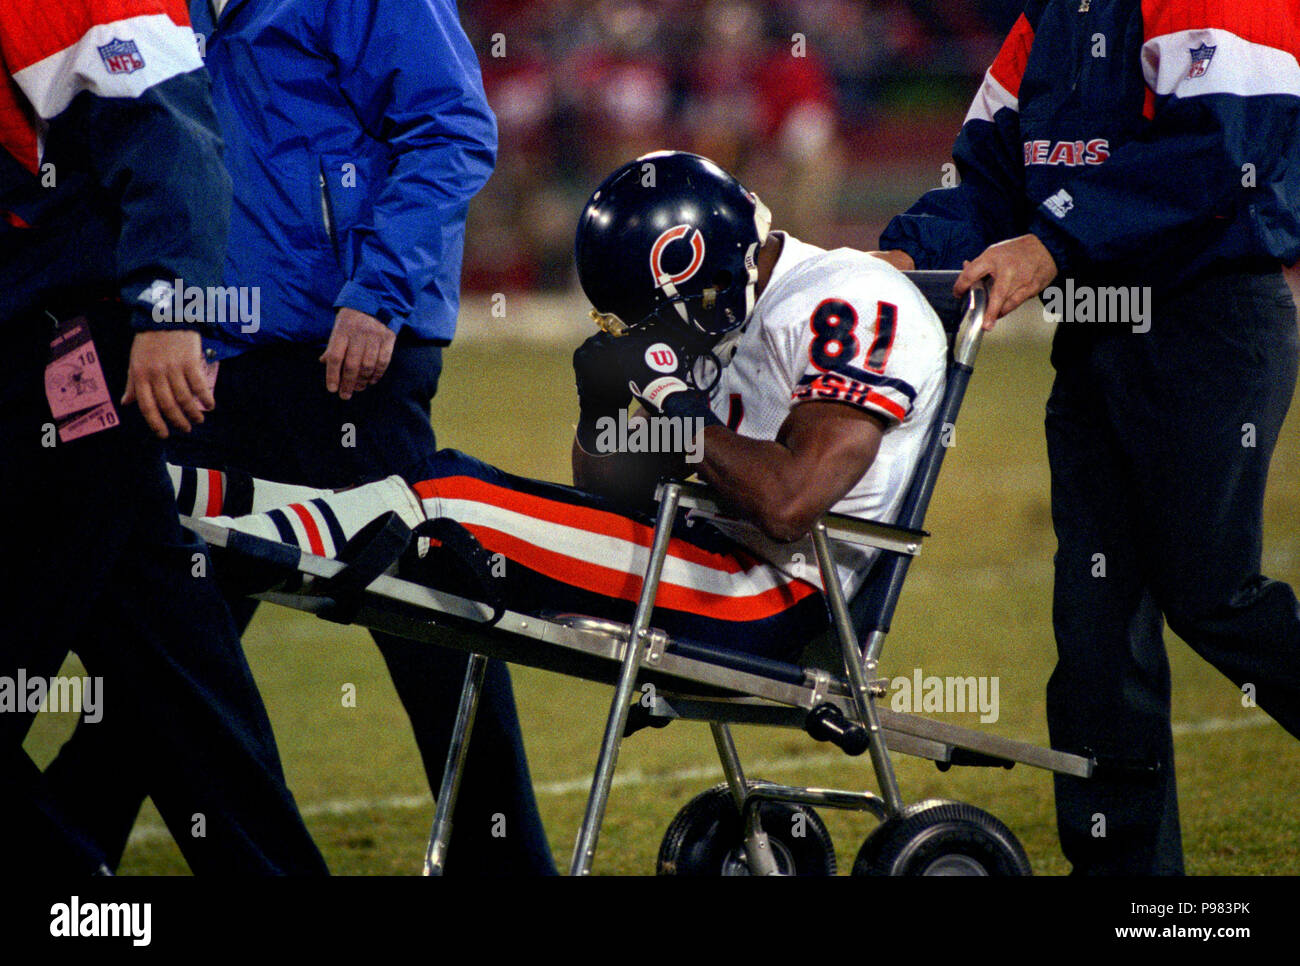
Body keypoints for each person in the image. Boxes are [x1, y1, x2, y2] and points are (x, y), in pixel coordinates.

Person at [43, 0, 557, 875]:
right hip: (217, 360)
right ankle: (74, 835)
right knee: (171, 628)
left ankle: (504, 862)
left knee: (421, 612)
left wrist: (378, 292)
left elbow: (455, 127)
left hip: (347, 350)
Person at [170, 151, 949, 663]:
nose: (649, 334)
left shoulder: (850, 300)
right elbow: (607, 488)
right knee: (439, 488)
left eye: (652, 315)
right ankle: (193, 500)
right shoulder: (728, 306)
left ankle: (236, 545)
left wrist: (672, 398)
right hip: (697, 556)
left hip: (779, 600)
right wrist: (602, 407)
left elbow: (787, 502)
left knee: (448, 502)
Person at [875, 1, 1300, 873]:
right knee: (1096, 639)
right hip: (1098, 337)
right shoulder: (1047, 18)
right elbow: (985, 177)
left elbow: (1231, 152)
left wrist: (1055, 239)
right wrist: (900, 256)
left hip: (1209, 323)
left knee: (1214, 594)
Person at [0, 0, 326, 874]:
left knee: (182, 685)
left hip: (58, 356)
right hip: (56, 359)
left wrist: (170, 302)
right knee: (184, 693)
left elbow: (167, 128)